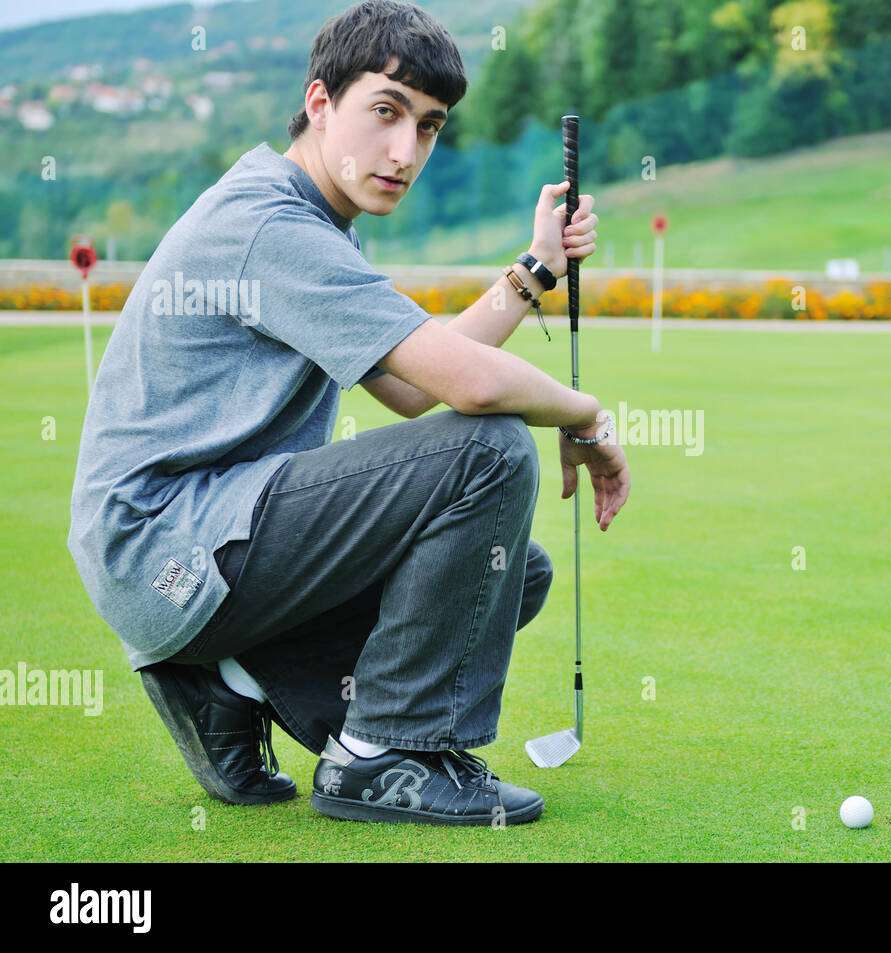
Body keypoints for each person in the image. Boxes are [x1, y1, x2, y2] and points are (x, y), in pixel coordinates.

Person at [66, 0, 629, 827]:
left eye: (429, 127)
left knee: (512, 570)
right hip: (166, 542)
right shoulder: (269, 224)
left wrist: (534, 270)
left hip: (196, 544)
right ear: (322, 102)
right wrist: (584, 414)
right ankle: (383, 754)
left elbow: (409, 383)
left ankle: (229, 683)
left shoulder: (308, 216)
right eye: (386, 112)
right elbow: (467, 390)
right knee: (492, 450)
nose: (406, 151)